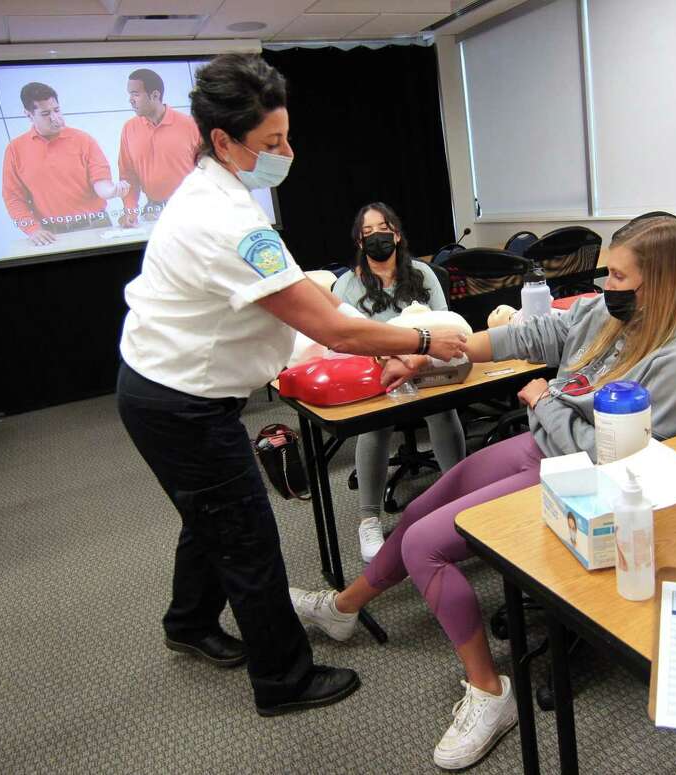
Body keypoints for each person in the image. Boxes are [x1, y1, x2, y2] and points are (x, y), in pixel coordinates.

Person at [290, 216, 676, 768]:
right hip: (547, 448)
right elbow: (534, 334)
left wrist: (543, 402)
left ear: (658, 283)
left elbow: (619, 460)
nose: (604, 285)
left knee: (425, 545)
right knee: (421, 507)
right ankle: (344, 609)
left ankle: (492, 694)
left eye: (617, 275)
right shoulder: (607, 315)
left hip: (588, 482)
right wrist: (439, 352)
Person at [115, 54, 466, 717]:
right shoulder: (225, 220)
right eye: (271, 143)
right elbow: (334, 328)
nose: (287, 152)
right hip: (181, 402)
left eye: (287, 135)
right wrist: (423, 339)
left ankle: (187, 622)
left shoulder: (216, 190)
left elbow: (290, 302)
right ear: (223, 140)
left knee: (209, 516)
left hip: (158, 386)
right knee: (245, 534)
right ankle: (284, 679)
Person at [331, 202, 467, 562]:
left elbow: (447, 323)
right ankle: (368, 519)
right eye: (369, 231)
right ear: (360, 241)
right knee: (375, 425)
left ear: (397, 234)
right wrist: (390, 359)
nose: (378, 236)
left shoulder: (422, 273)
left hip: (426, 364)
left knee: (443, 410)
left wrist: (416, 358)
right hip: (378, 372)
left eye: (384, 227)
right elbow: (346, 340)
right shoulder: (347, 284)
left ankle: (459, 502)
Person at [2, 82, 130, 245]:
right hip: (52, 235)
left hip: (96, 226)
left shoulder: (84, 140)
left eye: (57, 110)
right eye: (46, 113)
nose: (55, 118)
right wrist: (32, 229)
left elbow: (100, 181)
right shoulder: (15, 149)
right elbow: (13, 197)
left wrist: (112, 191)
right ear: (28, 115)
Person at [117, 68, 200, 227]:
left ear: (155, 95)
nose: (130, 100)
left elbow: (209, 171)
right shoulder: (129, 128)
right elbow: (127, 176)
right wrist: (130, 209)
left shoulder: (190, 125)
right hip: (153, 210)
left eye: (135, 94)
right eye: (130, 94)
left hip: (192, 208)